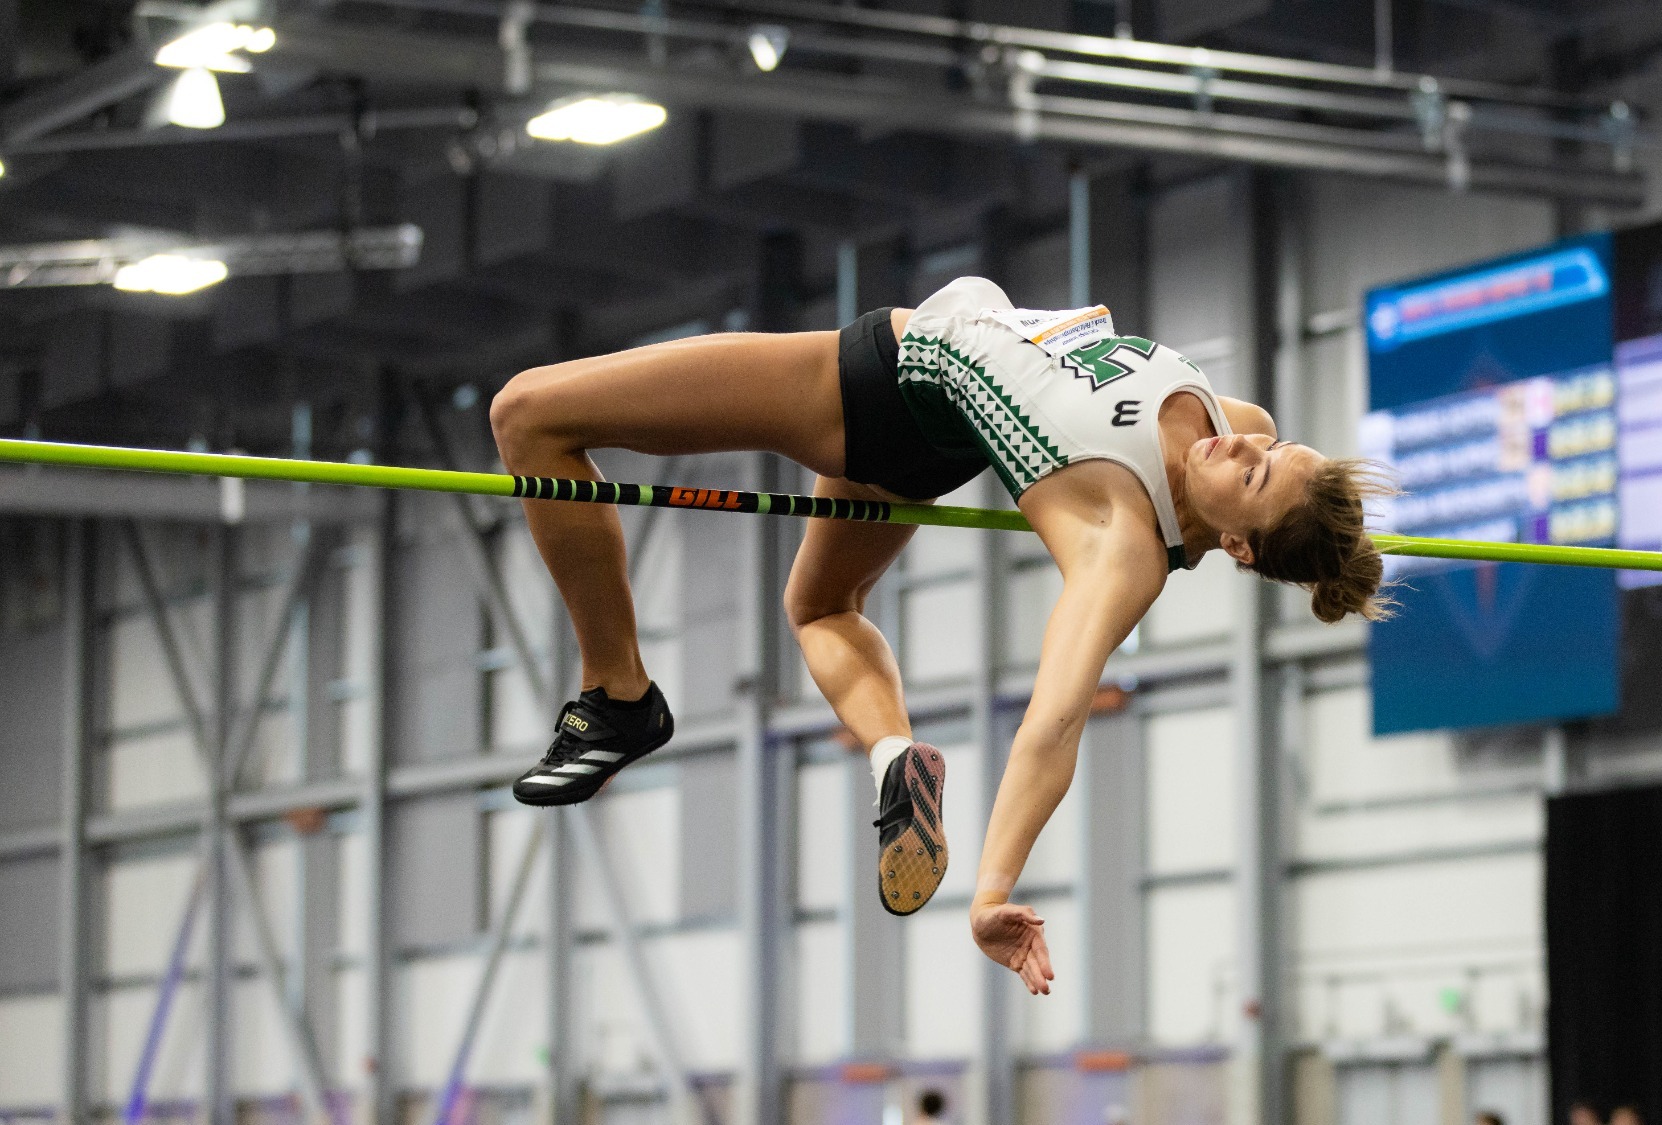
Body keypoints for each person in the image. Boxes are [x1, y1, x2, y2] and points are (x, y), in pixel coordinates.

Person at [490, 276, 1388, 990]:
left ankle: (618, 694)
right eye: (1272, 449)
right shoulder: (1239, 426)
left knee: (528, 413)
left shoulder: (1119, 546)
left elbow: (1053, 724)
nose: (1243, 445)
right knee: (821, 608)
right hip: (935, 434)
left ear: (1238, 546)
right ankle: (893, 755)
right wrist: (1282, 504)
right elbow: (1225, 467)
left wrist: (992, 888)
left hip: (875, 386)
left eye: (1254, 475)